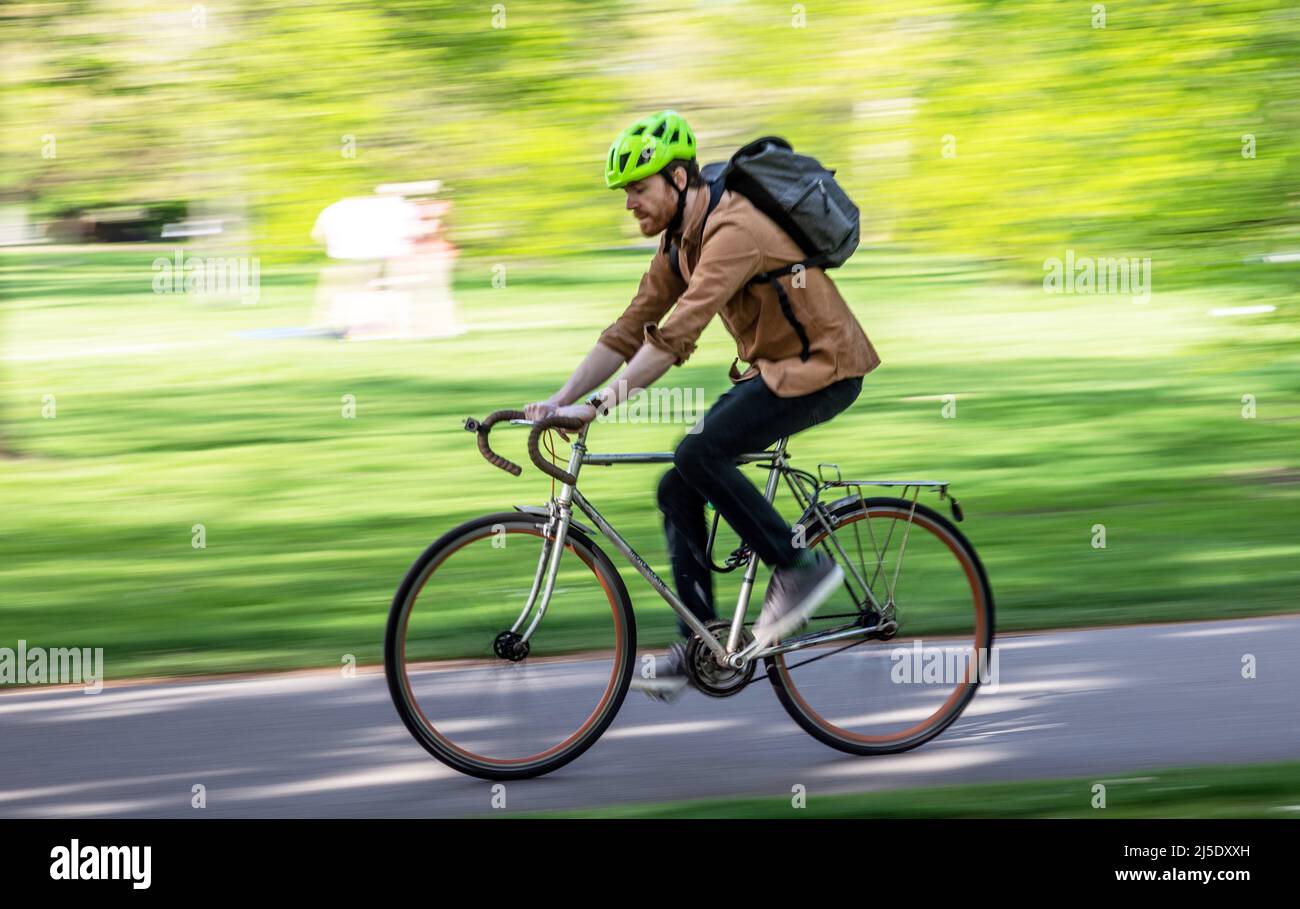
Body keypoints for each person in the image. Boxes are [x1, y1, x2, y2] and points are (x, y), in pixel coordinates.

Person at [523, 111, 881, 700]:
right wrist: (560, 400)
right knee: (676, 485)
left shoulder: (733, 230)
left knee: (698, 451)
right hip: (775, 371)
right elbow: (629, 329)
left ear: (681, 180)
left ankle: (799, 568)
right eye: (626, 193)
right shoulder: (677, 245)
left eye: (640, 189)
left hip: (824, 368)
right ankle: (703, 643)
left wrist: (600, 406)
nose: (630, 204)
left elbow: (674, 336)